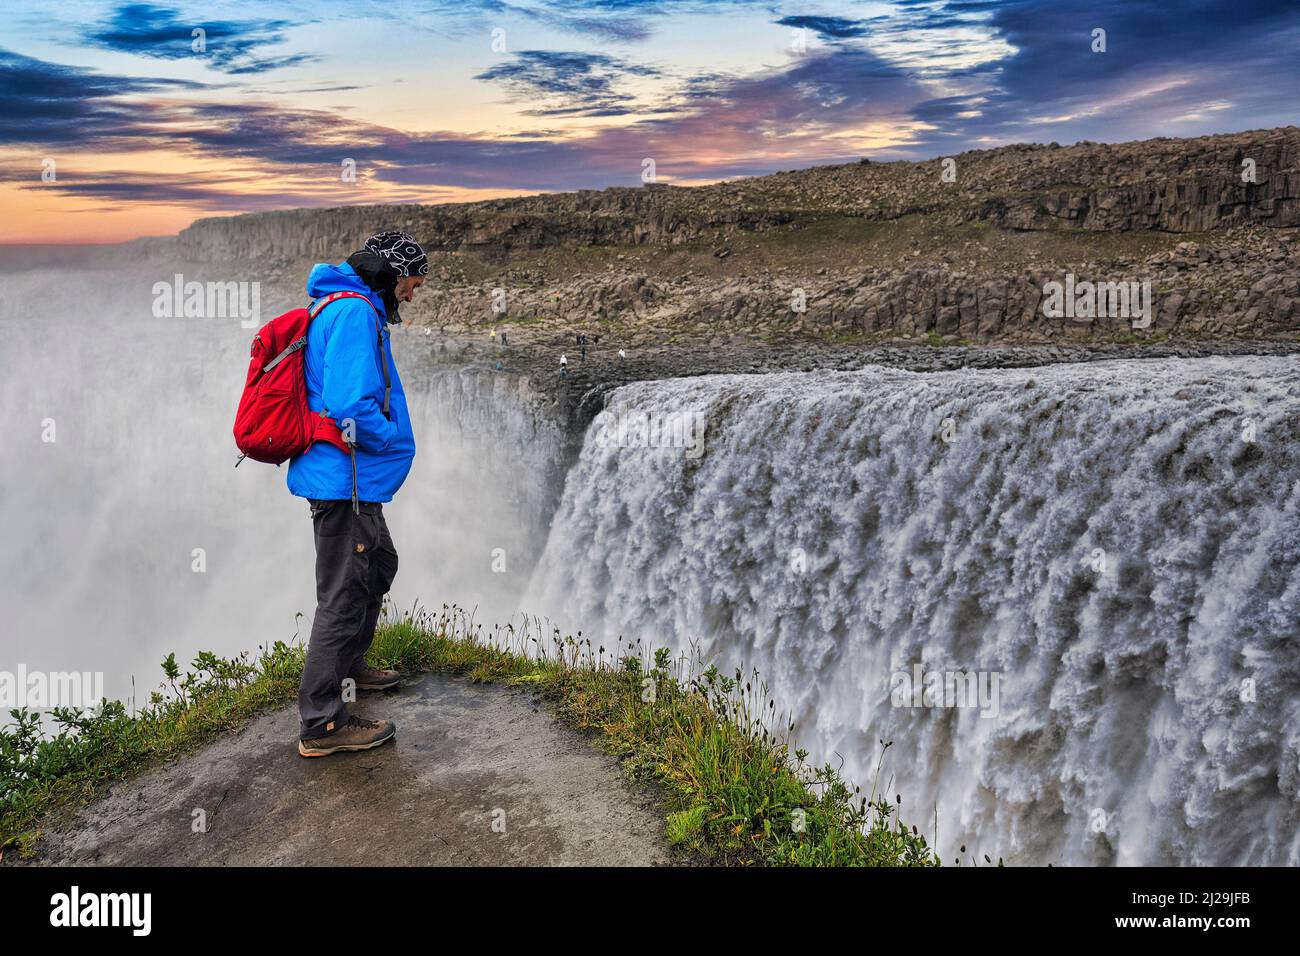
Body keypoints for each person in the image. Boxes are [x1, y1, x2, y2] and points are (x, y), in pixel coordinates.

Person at [290, 231, 428, 758]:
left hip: (350, 480)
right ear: (392, 276)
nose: (412, 296)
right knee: (344, 595)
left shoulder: (350, 307)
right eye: (412, 283)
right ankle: (322, 724)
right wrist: (391, 439)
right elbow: (351, 406)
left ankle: (350, 670)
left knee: (378, 566)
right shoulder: (353, 314)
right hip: (343, 480)